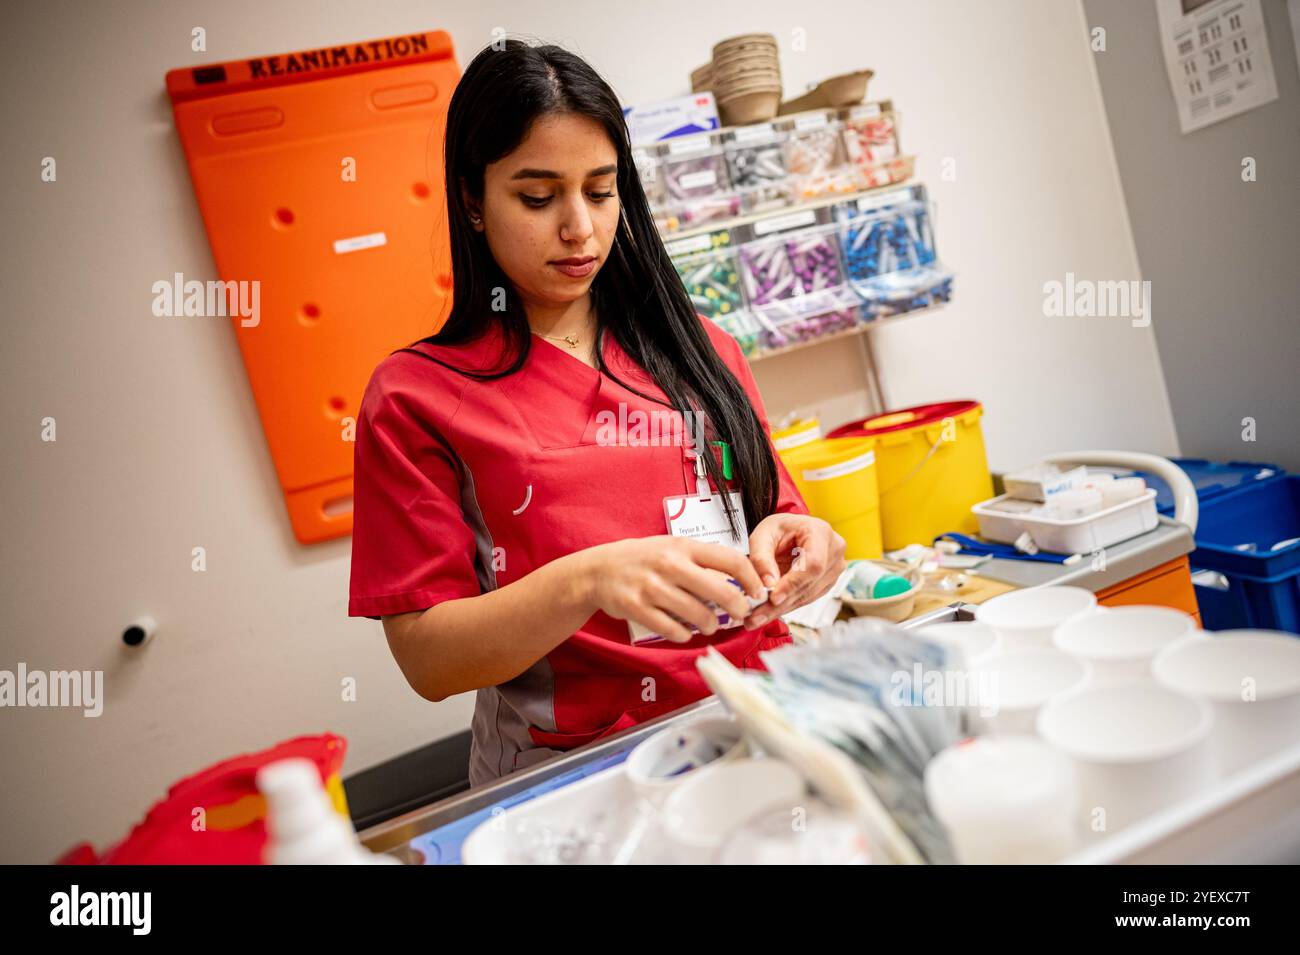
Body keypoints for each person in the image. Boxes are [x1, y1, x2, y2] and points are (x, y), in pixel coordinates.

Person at [348, 39, 845, 786]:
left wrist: (810, 544)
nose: (579, 227)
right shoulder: (418, 397)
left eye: (602, 190)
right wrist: (587, 581)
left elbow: (775, 516)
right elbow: (428, 658)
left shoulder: (701, 349)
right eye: (538, 197)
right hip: (579, 768)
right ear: (472, 202)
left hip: (756, 717)